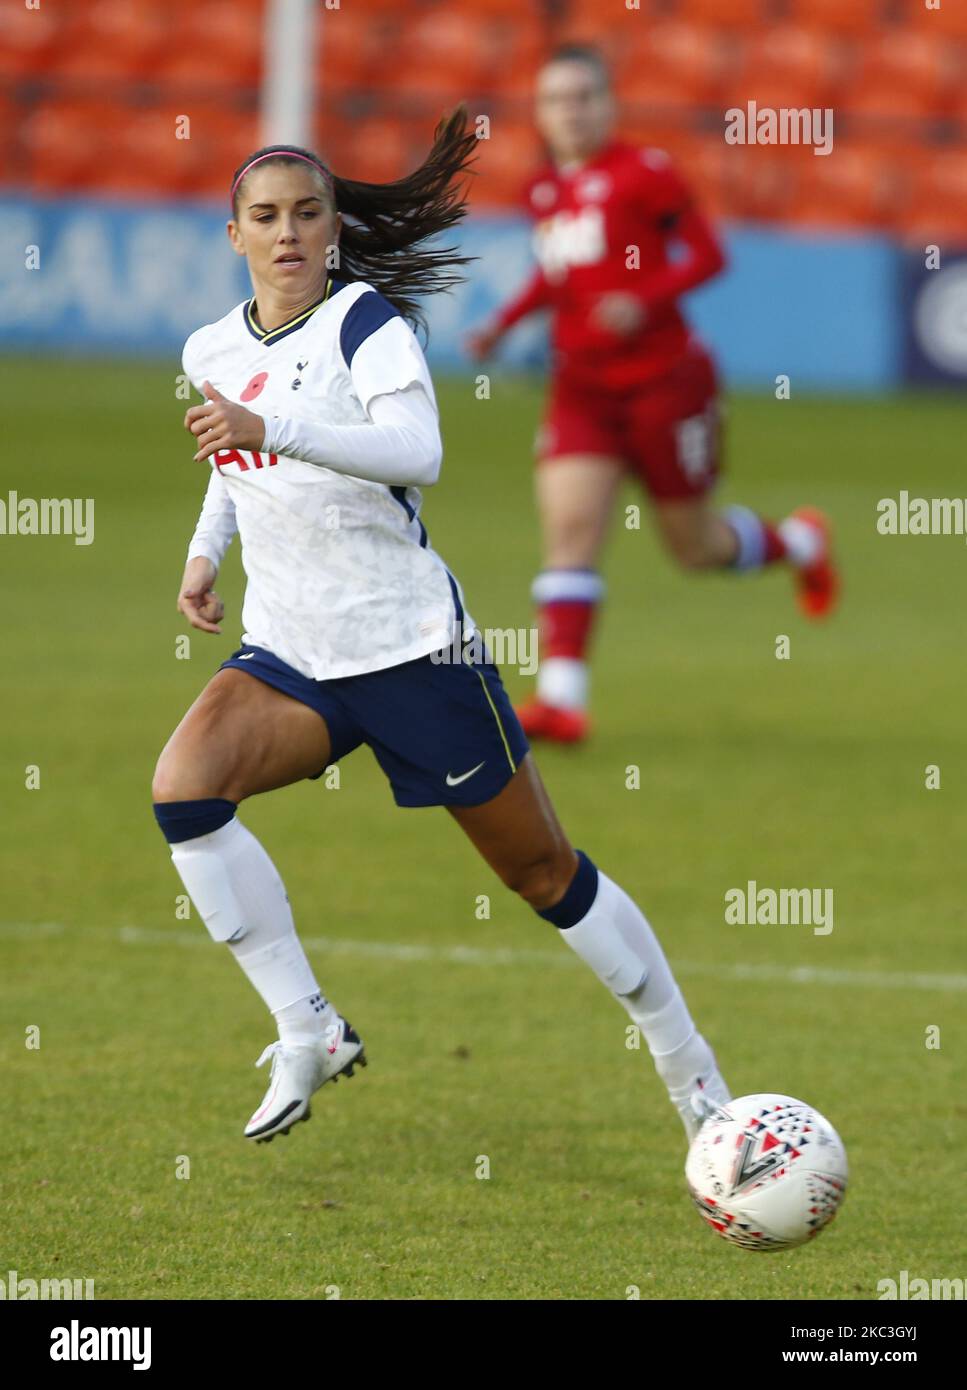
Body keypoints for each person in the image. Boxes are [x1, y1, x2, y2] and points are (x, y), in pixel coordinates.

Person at [151, 115, 729, 1146]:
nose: (288, 233)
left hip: (410, 647)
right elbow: (229, 462)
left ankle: (693, 1074)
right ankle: (308, 1025)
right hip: (293, 650)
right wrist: (206, 552)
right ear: (233, 234)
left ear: (335, 228)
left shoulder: (366, 322)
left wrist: (266, 427)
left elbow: (416, 452)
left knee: (542, 874)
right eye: (266, 217)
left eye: (308, 213)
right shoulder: (209, 345)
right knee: (185, 793)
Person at [468, 46, 839, 744]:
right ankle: (561, 700)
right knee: (570, 531)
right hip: (582, 387)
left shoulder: (645, 174)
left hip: (665, 385)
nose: (569, 112)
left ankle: (799, 541)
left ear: (607, 104)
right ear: (540, 114)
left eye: (582, 97)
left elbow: (707, 254)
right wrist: (502, 324)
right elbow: (559, 276)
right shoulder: (544, 189)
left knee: (694, 548)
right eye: (554, 100)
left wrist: (641, 300)